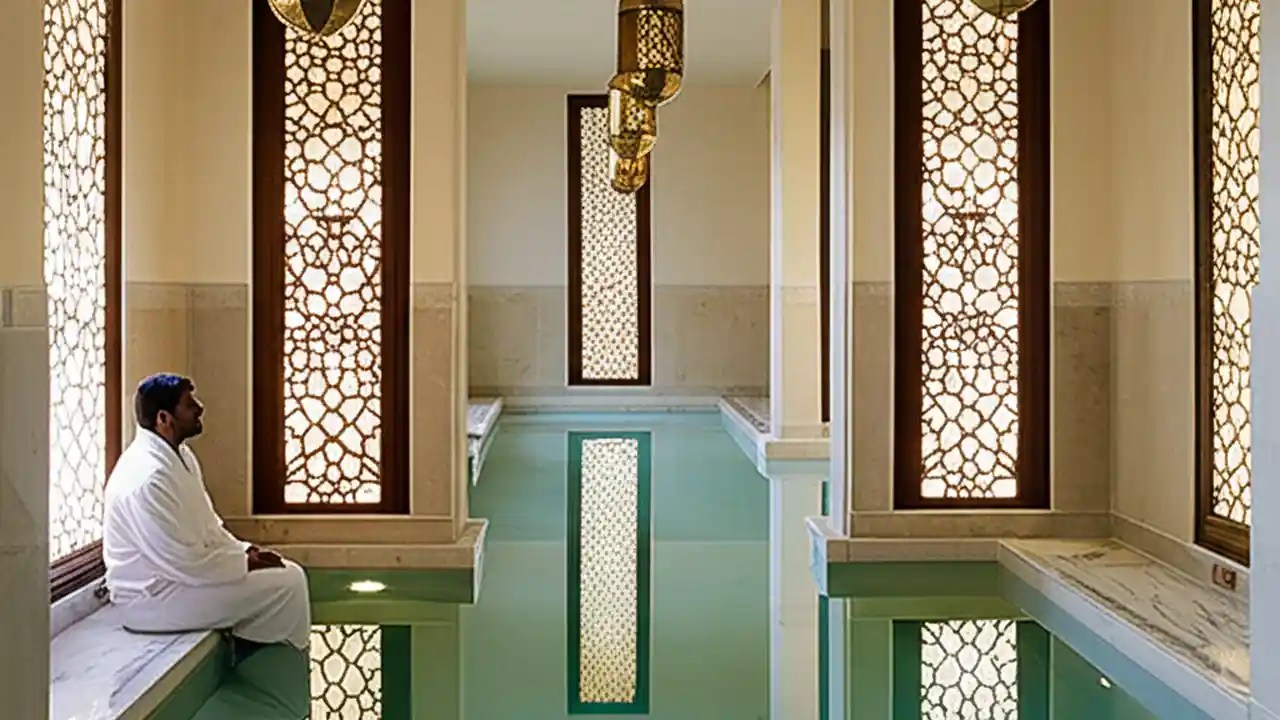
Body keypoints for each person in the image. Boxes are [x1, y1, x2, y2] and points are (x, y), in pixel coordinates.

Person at [103, 373, 311, 651]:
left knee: (289, 574)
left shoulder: (180, 456)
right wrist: (242, 563)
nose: (200, 408)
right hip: (153, 598)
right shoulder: (147, 478)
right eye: (189, 405)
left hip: (180, 580)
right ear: (164, 419)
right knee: (286, 586)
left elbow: (209, 526)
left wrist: (245, 551)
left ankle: (261, 658)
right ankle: (264, 671)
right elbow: (181, 560)